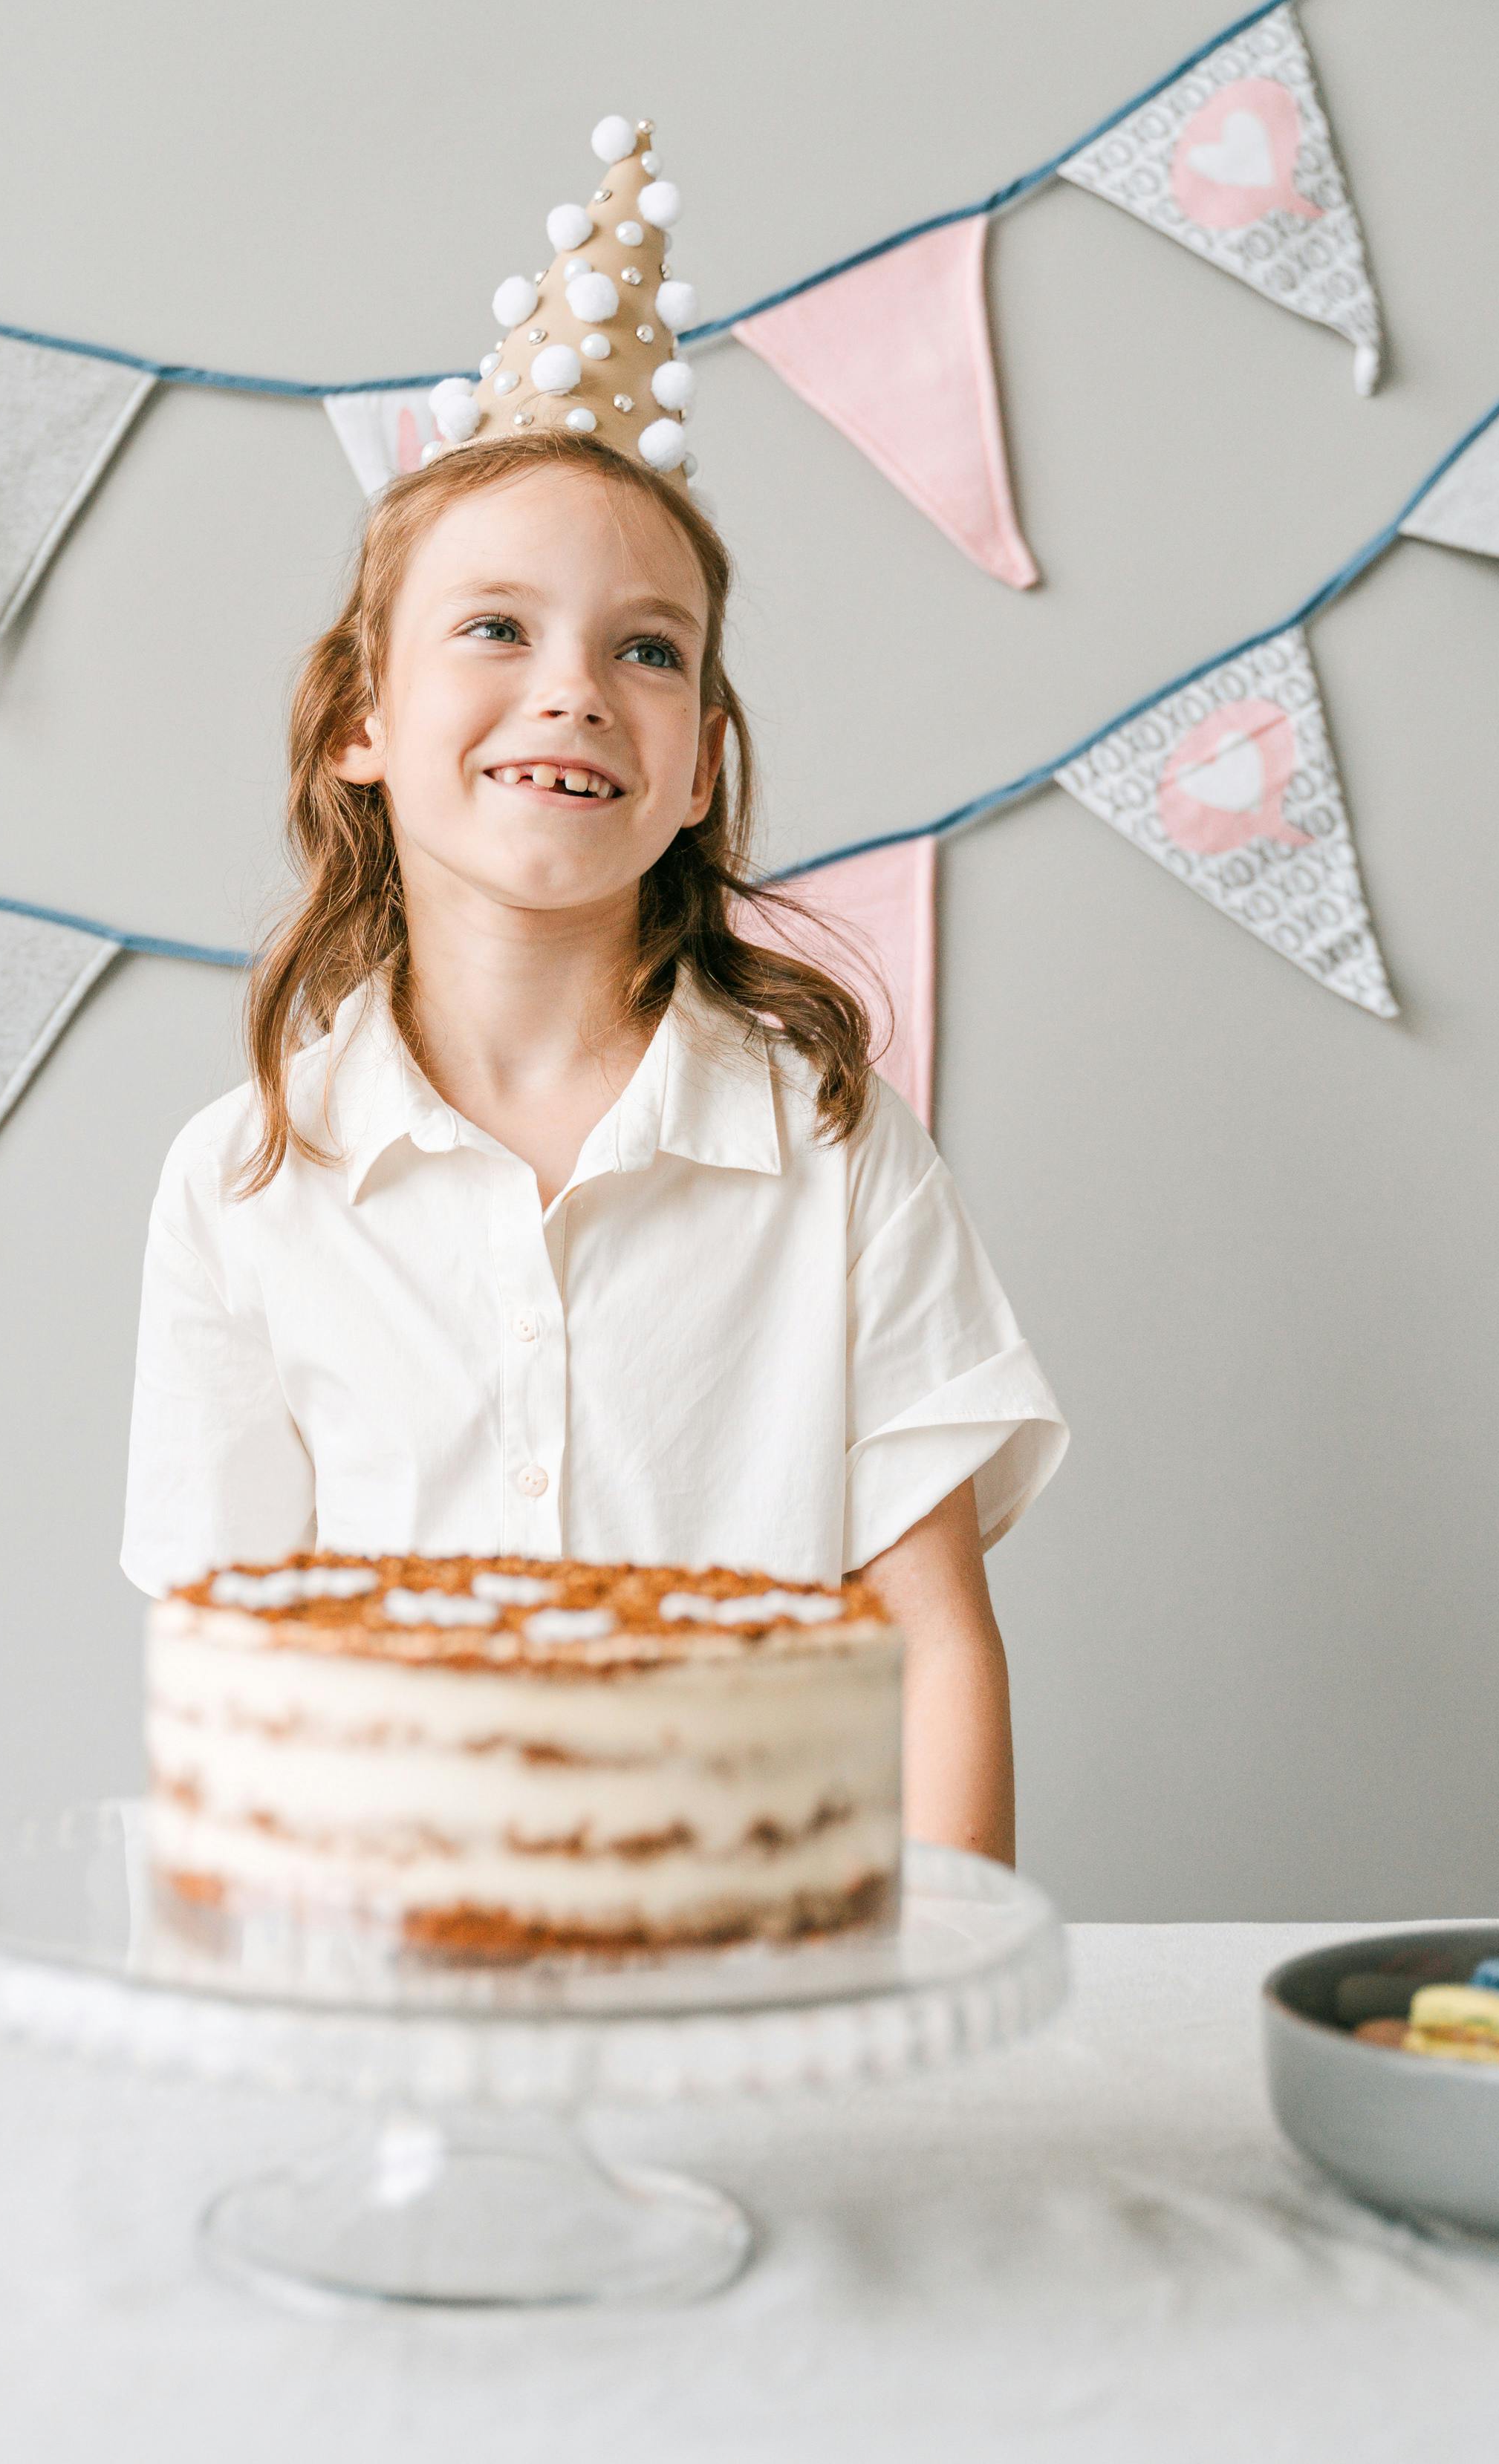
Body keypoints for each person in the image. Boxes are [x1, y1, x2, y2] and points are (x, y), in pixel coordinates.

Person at [117, 424, 1064, 1861]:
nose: (571, 690)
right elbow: (235, 1677)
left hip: (762, 1997)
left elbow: (932, 1644)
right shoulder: (245, 1181)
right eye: (497, 626)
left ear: (699, 773)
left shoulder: (832, 1145)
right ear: (359, 722)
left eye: (649, 650)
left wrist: (936, 2011)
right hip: (392, 1987)